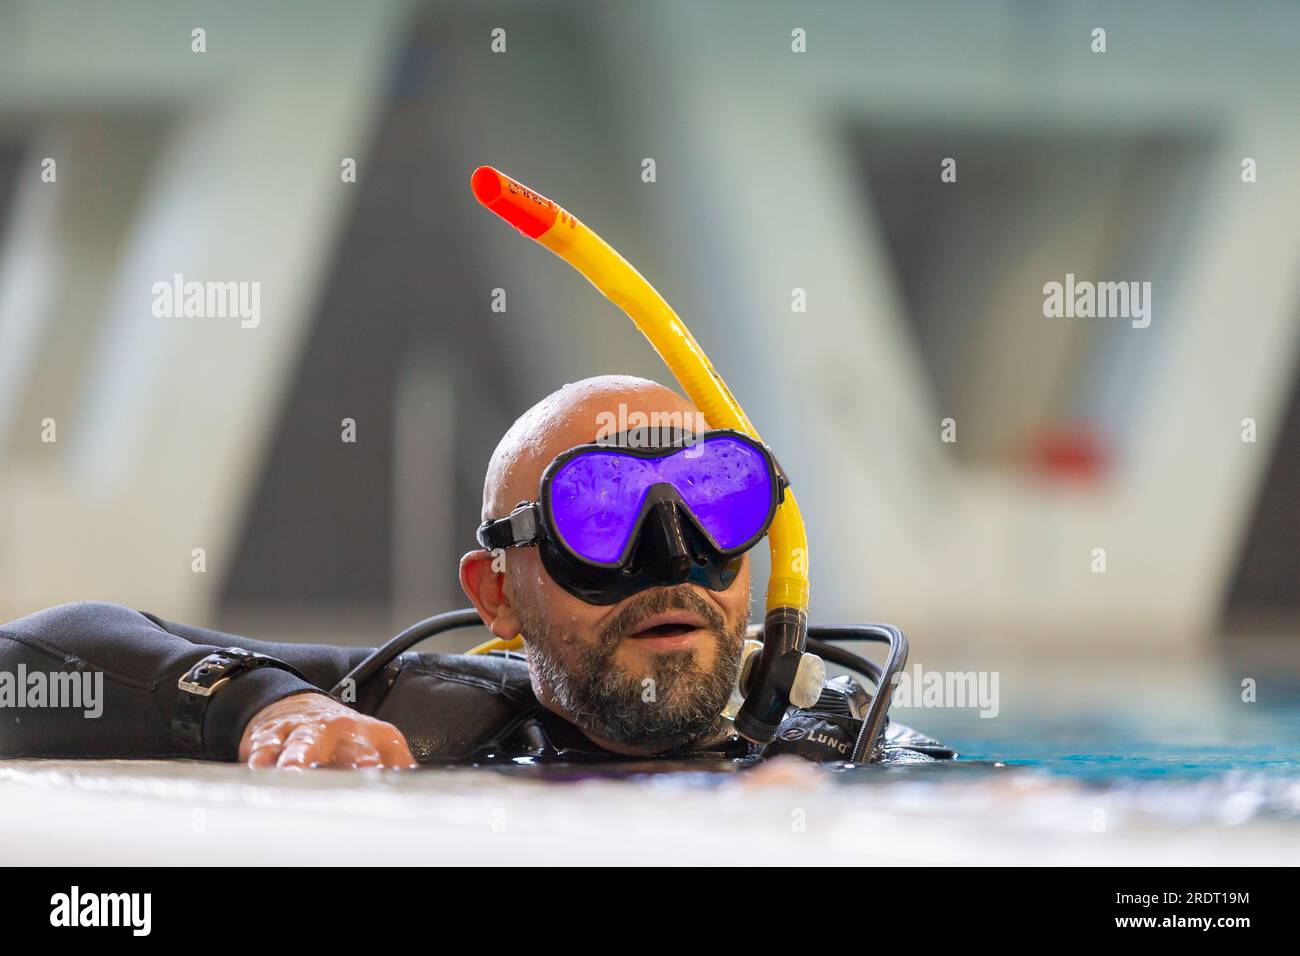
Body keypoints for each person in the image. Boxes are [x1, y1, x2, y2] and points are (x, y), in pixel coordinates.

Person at [0, 375, 950, 769]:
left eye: (714, 503)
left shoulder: (845, 742)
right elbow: (35, 654)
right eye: (600, 515)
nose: (673, 565)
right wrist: (261, 705)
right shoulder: (442, 717)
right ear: (496, 591)